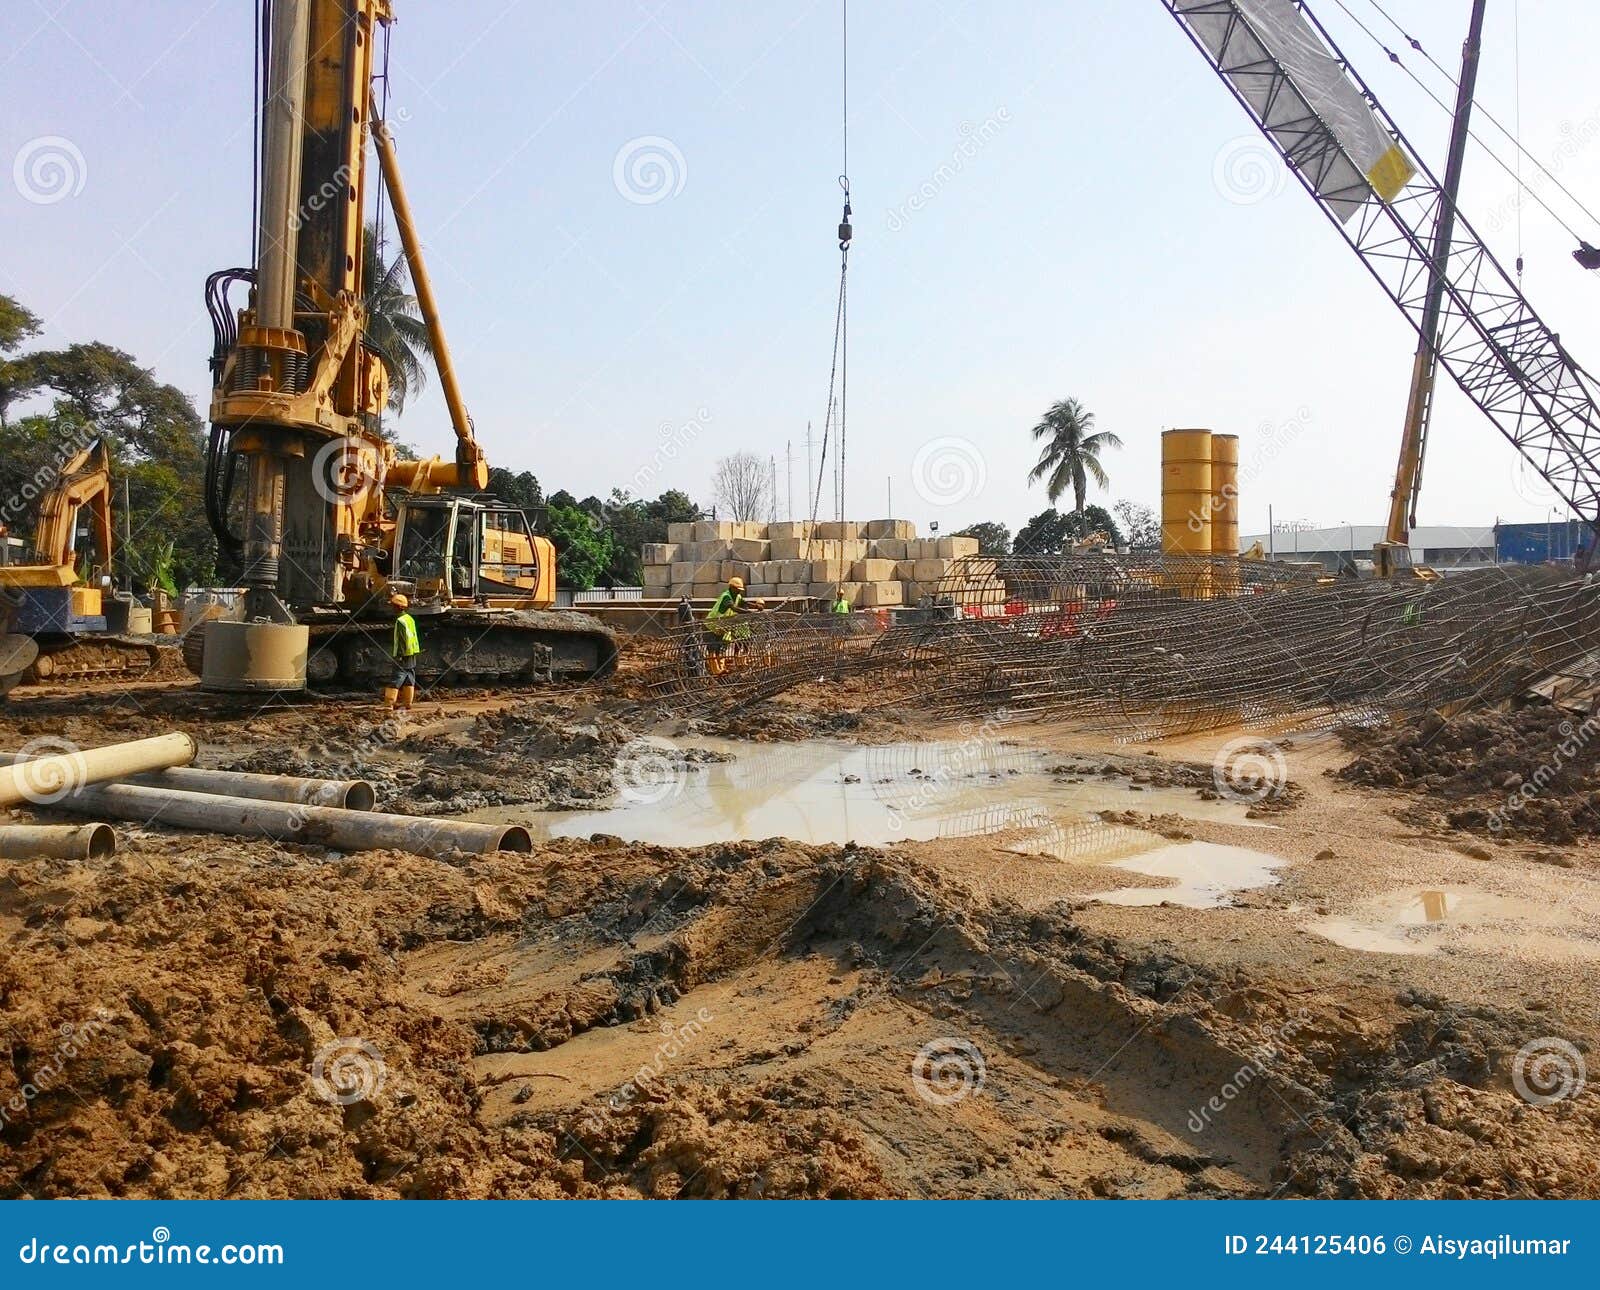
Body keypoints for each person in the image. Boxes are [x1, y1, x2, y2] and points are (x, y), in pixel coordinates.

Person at [385, 592, 420, 713]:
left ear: (398, 607)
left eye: (393, 605)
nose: (391, 608)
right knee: (409, 678)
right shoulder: (409, 619)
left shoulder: (399, 621)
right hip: (412, 653)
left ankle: (389, 704)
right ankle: (408, 703)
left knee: (396, 678)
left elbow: (402, 640)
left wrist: (399, 655)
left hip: (403, 655)